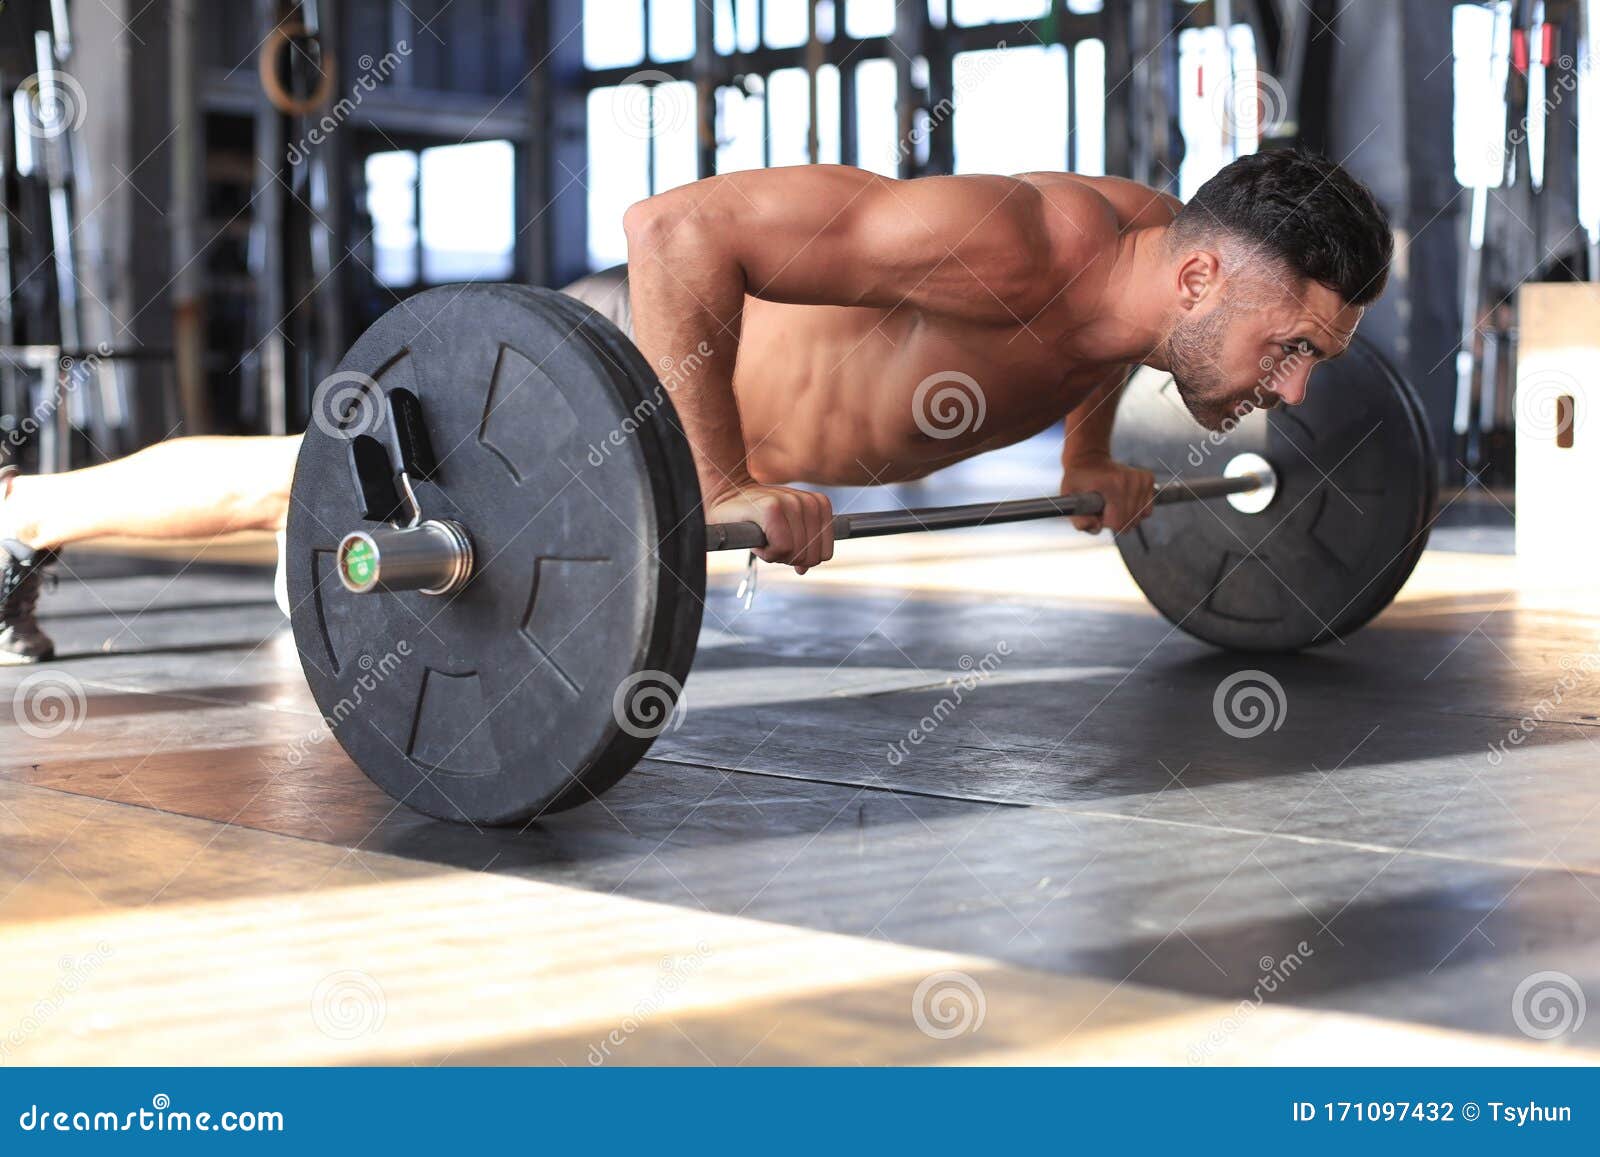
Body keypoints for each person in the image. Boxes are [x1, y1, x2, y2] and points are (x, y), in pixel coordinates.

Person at [0, 149, 1391, 663]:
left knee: (308, 494)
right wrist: (717, 484)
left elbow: (1104, 350)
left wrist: (1094, 459)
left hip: (698, 430)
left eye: (1309, 362)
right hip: (634, 378)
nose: (1290, 389)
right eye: (1289, 349)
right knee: (298, 485)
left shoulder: (1163, 264)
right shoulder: (1022, 242)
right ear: (1207, 274)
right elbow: (675, 230)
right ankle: (29, 509)